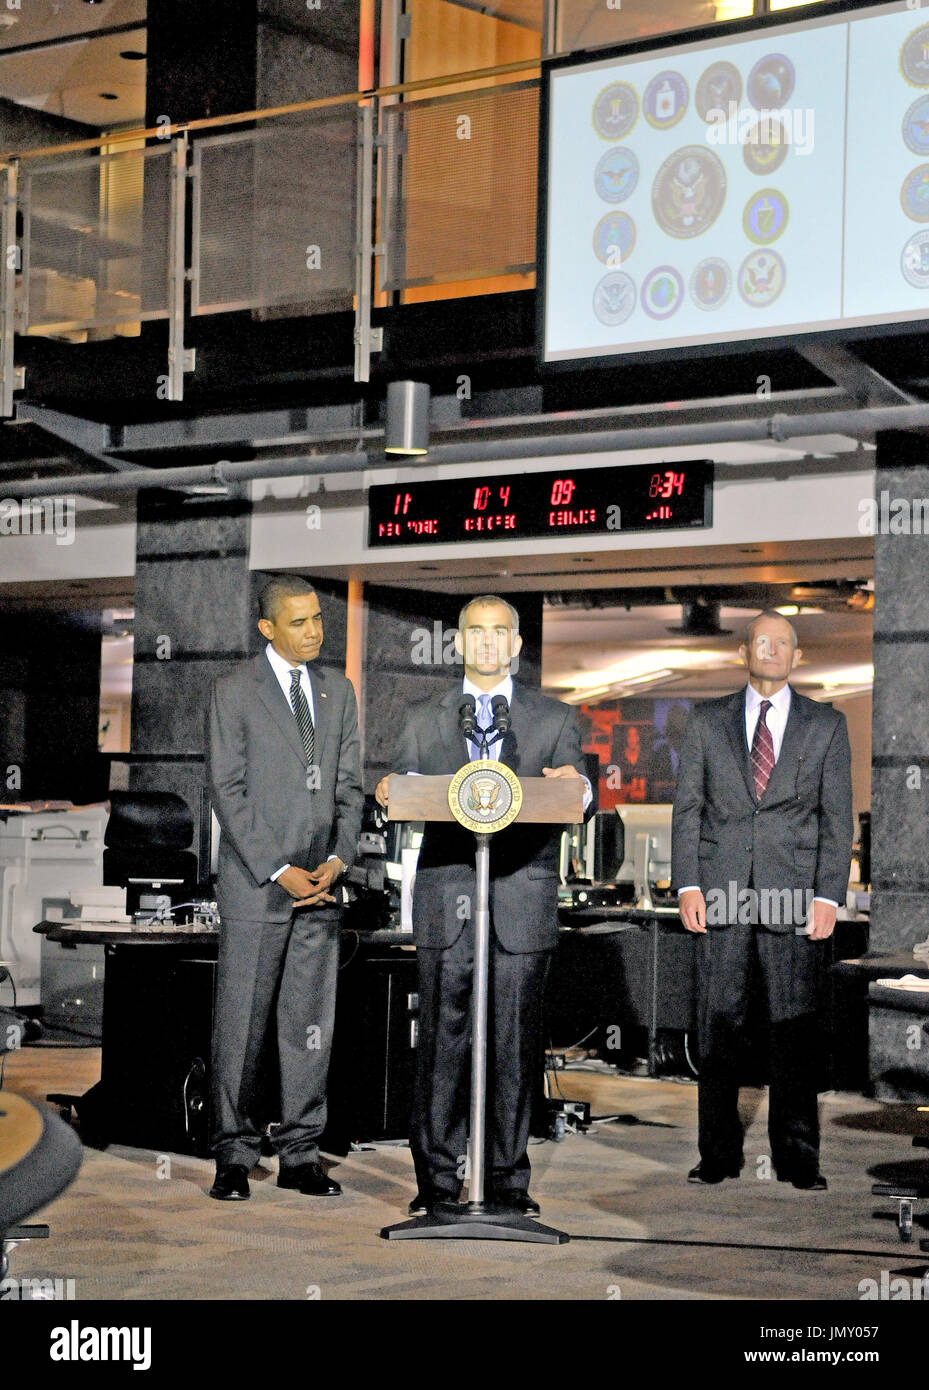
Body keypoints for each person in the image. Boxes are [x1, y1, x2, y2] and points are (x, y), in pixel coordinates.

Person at [375, 595, 593, 1217]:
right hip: (448, 901)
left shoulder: (553, 718)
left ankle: (506, 1180)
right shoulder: (423, 717)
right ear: (460, 643)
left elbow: (578, 792)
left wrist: (578, 789)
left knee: (514, 1047)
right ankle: (437, 1182)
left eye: (501, 632)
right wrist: (390, 789)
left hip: (520, 902)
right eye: (477, 632)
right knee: (442, 1046)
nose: (489, 642)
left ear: (518, 644)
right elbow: (402, 791)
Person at [672, 610, 852, 1191]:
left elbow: (836, 818)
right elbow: (688, 811)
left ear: (798, 657)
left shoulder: (827, 725)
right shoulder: (706, 721)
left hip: (796, 899)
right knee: (717, 1030)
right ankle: (718, 1155)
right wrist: (689, 884)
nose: (770, 650)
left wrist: (829, 895)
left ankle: (798, 1159)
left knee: (793, 1034)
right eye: (761, 641)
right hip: (720, 898)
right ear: (744, 652)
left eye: (783, 644)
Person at [206, 576, 363, 1201]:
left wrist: (338, 856)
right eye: (299, 622)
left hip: (320, 885)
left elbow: (349, 787)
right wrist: (278, 868)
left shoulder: (339, 690)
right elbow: (228, 789)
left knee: (308, 1025)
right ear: (267, 628)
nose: (315, 631)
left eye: (319, 619)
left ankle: (301, 1153)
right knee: (240, 1026)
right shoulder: (233, 691)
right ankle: (233, 1155)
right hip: (257, 887)